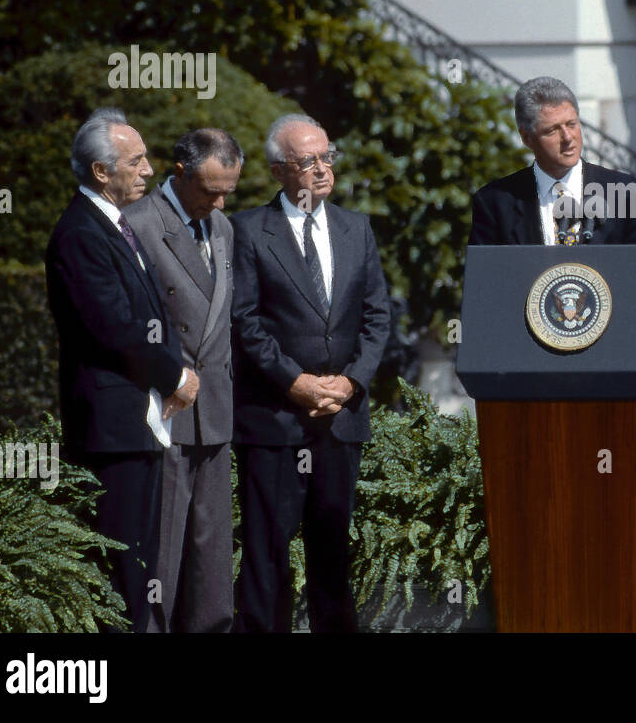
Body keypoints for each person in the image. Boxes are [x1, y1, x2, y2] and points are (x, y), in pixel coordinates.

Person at [231, 114, 393, 632]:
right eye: (308, 161)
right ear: (280, 169)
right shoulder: (248, 231)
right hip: (276, 420)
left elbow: (377, 316)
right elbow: (244, 321)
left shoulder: (356, 227)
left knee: (332, 553)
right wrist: (295, 383)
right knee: (266, 554)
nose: (322, 169)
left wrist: (350, 383)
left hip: (339, 421)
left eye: (328, 156)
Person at [45, 107, 200, 632]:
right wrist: (177, 378)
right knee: (122, 573)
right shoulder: (81, 234)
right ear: (100, 172)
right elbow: (116, 328)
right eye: (135, 161)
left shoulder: (112, 226)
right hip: (112, 432)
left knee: (136, 568)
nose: (149, 170)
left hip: (133, 425)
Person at [124, 127, 242, 633]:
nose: (217, 202)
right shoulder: (137, 225)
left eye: (227, 192)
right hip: (163, 409)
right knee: (162, 549)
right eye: (208, 190)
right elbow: (125, 324)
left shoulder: (223, 228)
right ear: (179, 173)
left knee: (212, 553)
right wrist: (167, 378)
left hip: (215, 409)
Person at [468, 76, 636, 246]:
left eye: (572, 124)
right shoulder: (494, 203)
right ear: (527, 138)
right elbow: (487, 280)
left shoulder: (632, 196)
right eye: (552, 130)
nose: (567, 137)